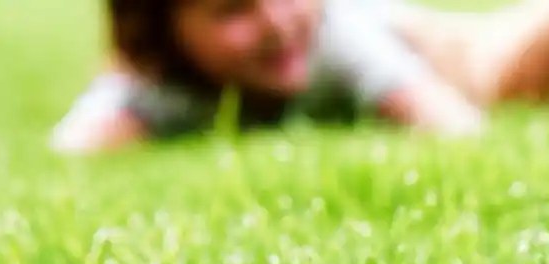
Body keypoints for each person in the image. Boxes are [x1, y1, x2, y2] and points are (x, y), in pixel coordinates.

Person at [51, 0, 485, 154]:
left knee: (484, 63)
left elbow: (450, 121)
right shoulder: (158, 83)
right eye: (233, 10)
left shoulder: (334, 36)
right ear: (162, 35)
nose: (277, 24)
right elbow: (76, 148)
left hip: (412, 33)